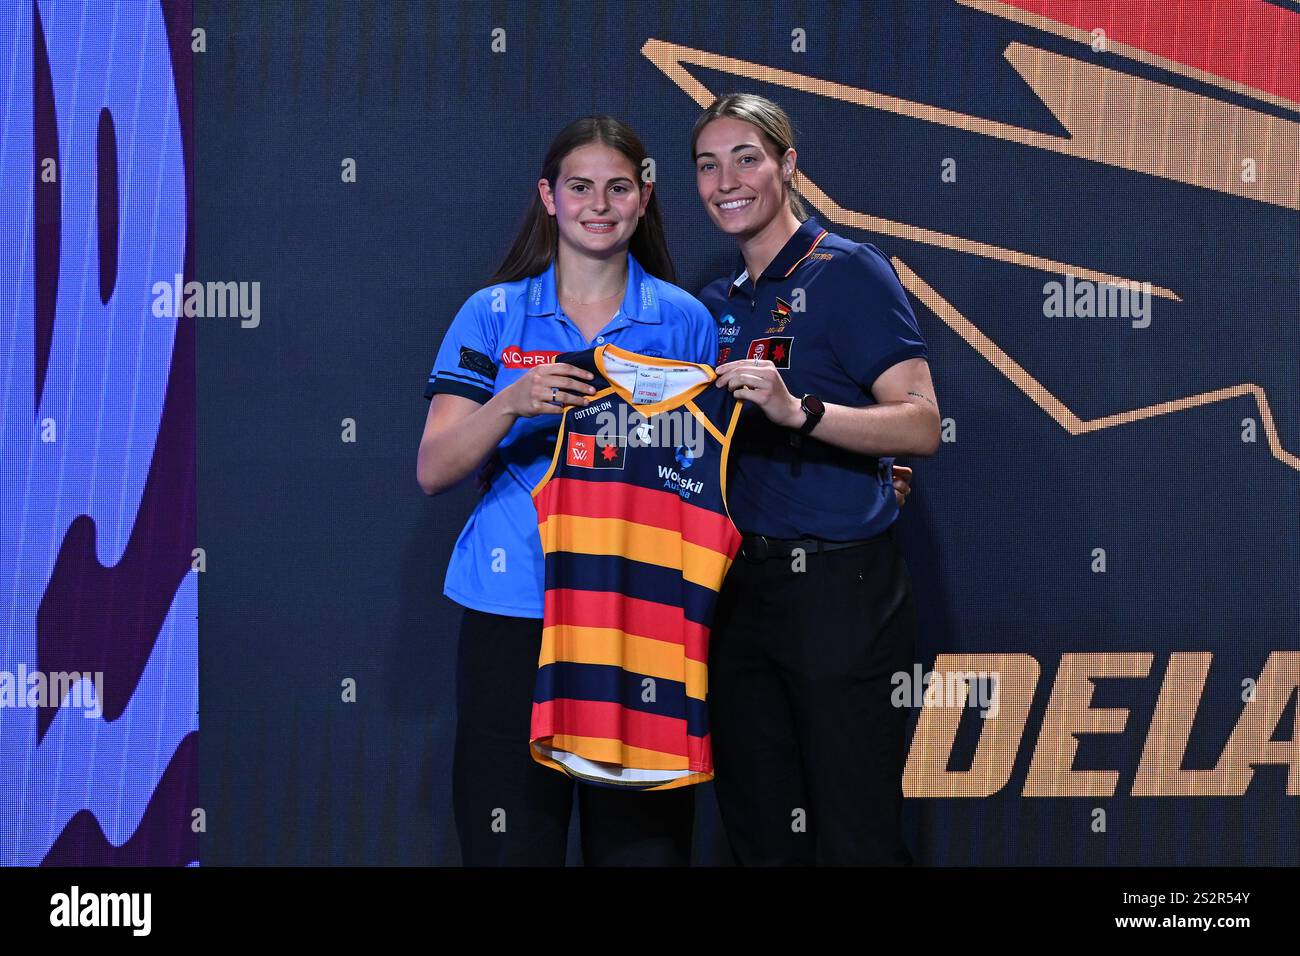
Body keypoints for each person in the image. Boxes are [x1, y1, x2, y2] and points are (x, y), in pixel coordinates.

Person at [417, 116, 715, 865]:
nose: (600, 204)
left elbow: (708, 482)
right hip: (514, 607)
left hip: (636, 612)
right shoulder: (493, 313)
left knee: (641, 851)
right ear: (548, 197)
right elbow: (434, 468)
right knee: (511, 843)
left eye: (619, 187)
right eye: (580, 186)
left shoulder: (686, 322)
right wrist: (510, 403)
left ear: (645, 198)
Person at [692, 94, 940, 865]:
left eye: (747, 158)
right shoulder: (715, 304)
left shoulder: (849, 270)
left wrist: (800, 411)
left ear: (788, 164)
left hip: (840, 587)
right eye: (708, 164)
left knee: (854, 831)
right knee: (761, 832)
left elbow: (921, 422)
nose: (726, 180)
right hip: (737, 593)